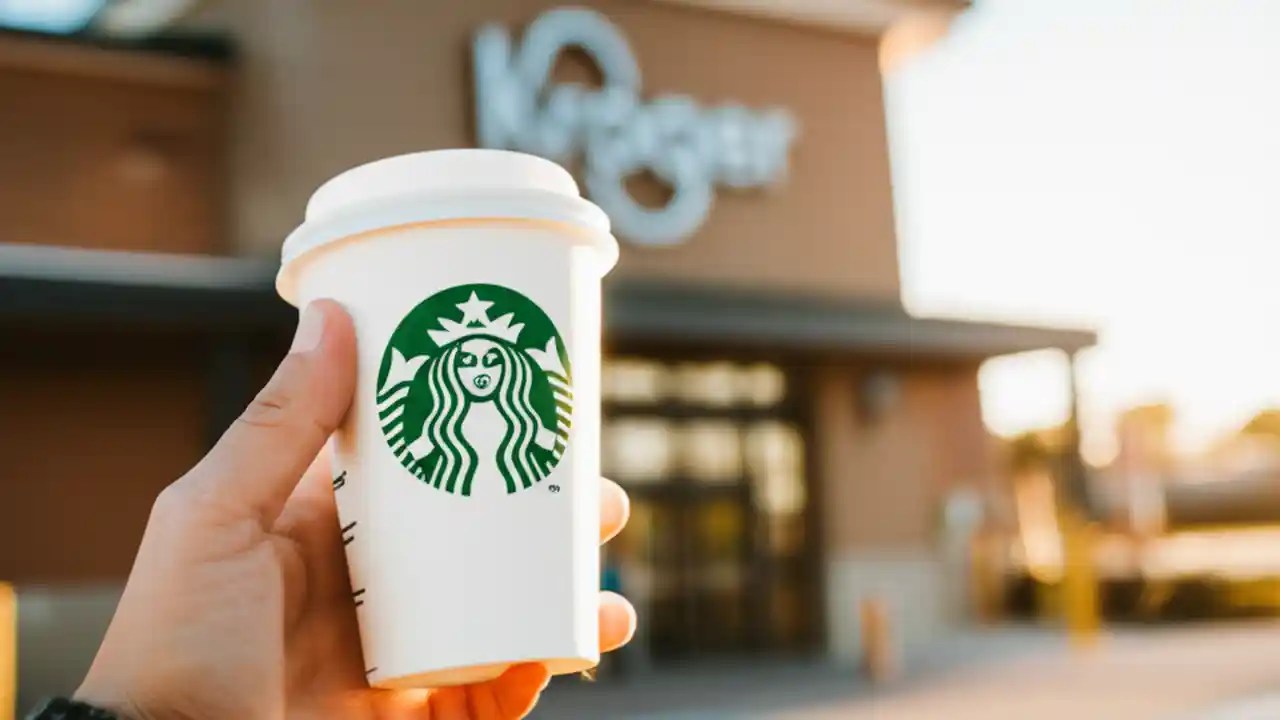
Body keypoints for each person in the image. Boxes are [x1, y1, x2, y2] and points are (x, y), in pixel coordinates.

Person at [30, 300, 636, 720]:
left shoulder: (520, 432)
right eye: (466, 361)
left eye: (493, 361)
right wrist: (155, 713)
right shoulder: (436, 437)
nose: (479, 371)